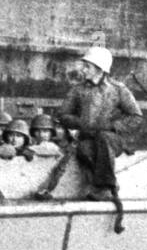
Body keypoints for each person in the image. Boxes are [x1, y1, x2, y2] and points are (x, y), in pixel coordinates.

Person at [55, 46, 141, 230]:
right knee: (85, 149)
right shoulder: (77, 91)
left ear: (99, 68)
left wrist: (113, 126)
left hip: (112, 139)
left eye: (87, 66)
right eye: (84, 65)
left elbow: (136, 117)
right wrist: (81, 123)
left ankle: (104, 187)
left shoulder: (118, 90)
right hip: (88, 138)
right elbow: (62, 115)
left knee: (103, 138)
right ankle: (102, 189)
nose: (83, 69)